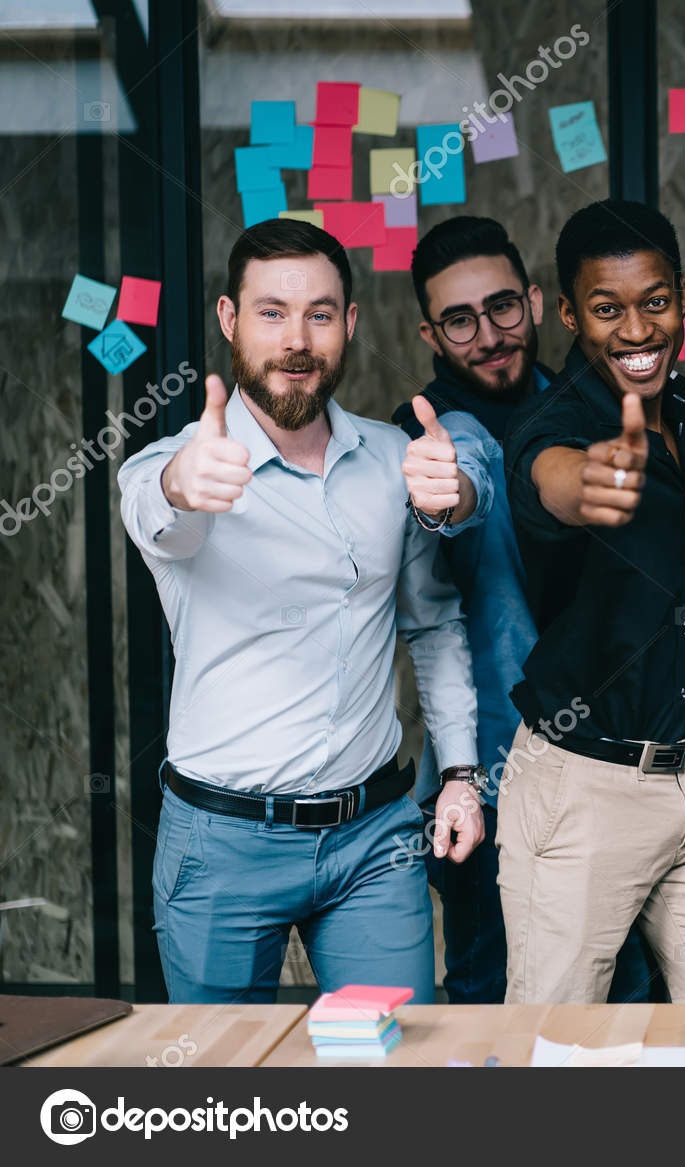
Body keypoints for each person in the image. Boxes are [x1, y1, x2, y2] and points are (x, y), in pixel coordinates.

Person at [118, 219, 491, 1003]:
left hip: (373, 841)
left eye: (320, 314)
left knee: (397, 1077)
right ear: (229, 320)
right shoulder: (180, 462)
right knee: (221, 1098)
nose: (297, 340)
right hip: (221, 843)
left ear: (349, 324)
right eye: (271, 313)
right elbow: (163, 507)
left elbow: (432, 624)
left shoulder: (395, 461)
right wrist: (188, 480)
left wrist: (460, 772)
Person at [498, 198, 685, 1004]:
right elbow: (549, 476)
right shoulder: (556, 425)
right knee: (550, 1059)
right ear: (566, 312)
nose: (636, 331)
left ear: (683, 295)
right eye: (605, 308)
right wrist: (588, 484)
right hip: (584, 790)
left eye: (654, 302)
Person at [393, 216, 659, 1004]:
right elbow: (464, 480)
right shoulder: (431, 437)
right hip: (491, 786)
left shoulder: (586, 405)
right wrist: (448, 495)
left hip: (613, 770)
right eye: (460, 320)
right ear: (430, 334)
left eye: (503, 307)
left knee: (627, 1005)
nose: (489, 335)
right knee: (494, 1008)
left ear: (538, 303)